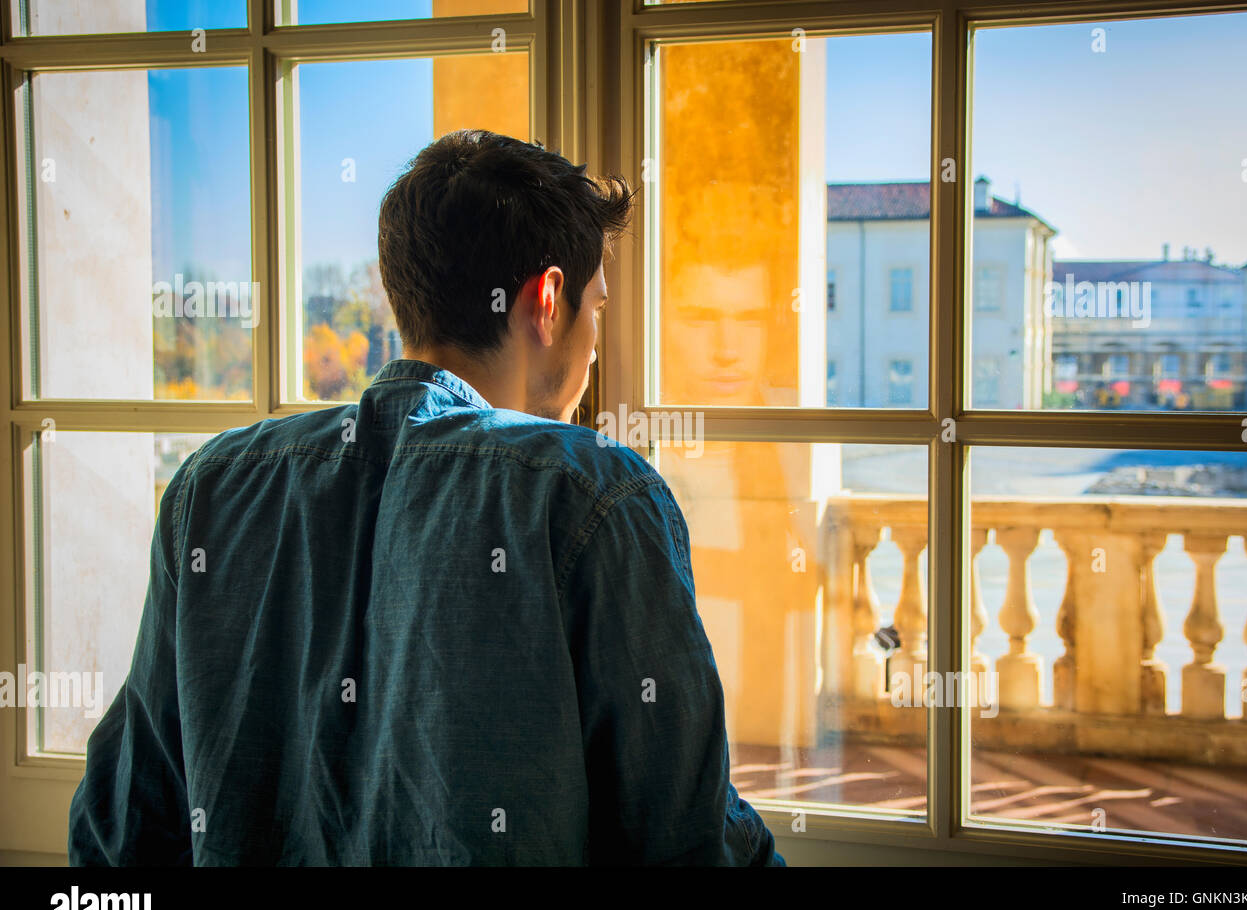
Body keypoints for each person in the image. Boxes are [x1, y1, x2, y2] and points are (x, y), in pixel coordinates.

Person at [67, 129, 785, 867]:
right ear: (545, 303)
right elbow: (686, 837)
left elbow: (121, 833)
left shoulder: (211, 486)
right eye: (594, 307)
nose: (595, 343)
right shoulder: (591, 493)